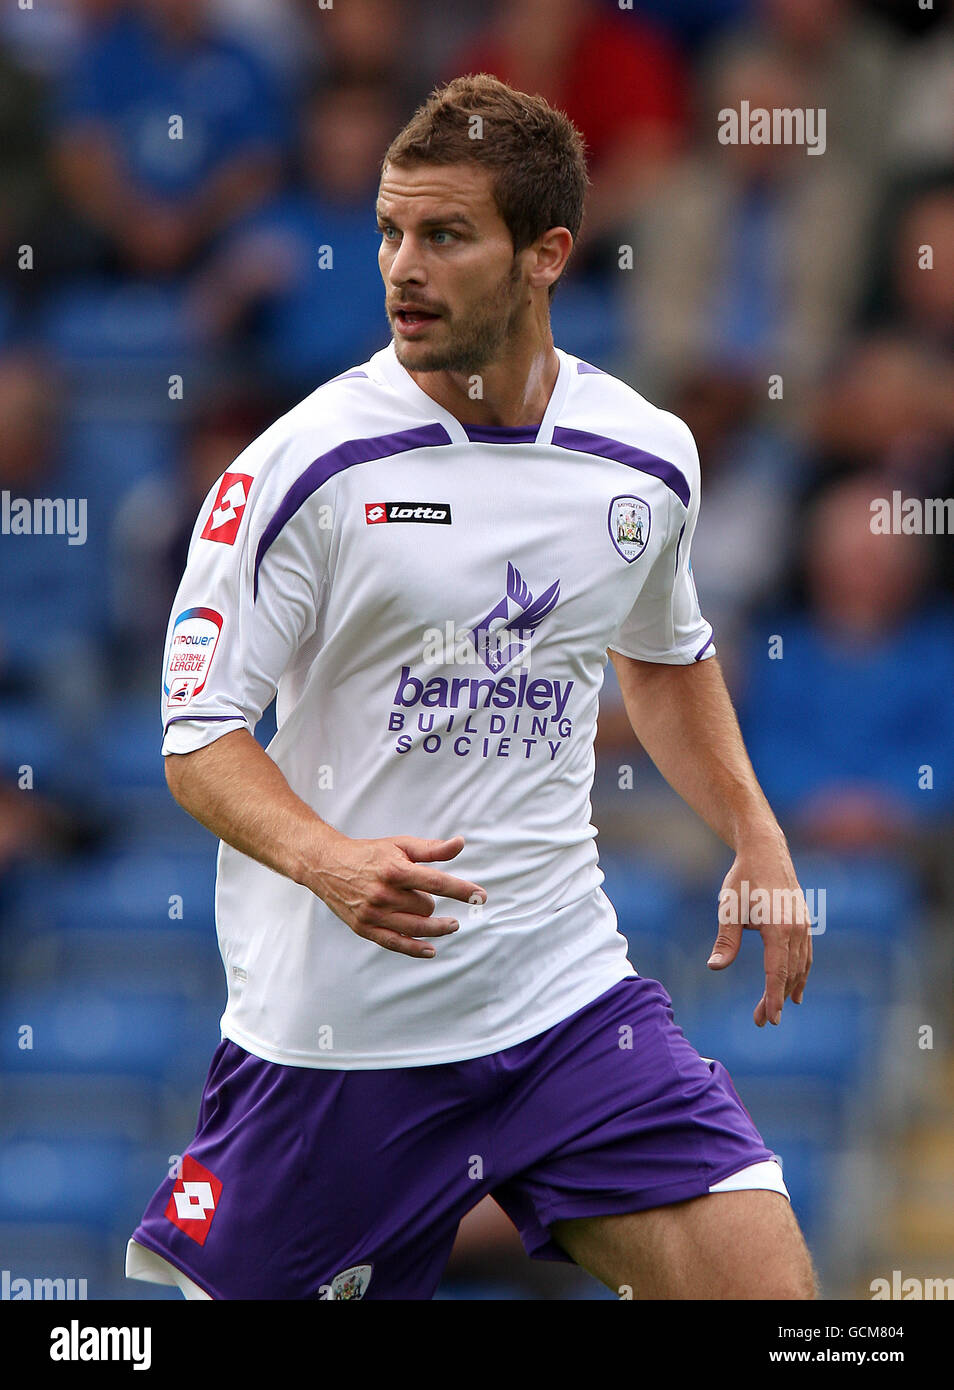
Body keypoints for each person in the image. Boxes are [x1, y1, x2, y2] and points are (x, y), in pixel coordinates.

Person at [125, 74, 815, 1302]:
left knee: (772, 1301)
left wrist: (755, 830)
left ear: (547, 254)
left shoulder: (645, 455)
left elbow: (661, 654)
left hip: (561, 998)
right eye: (391, 230)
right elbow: (198, 736)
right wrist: (331, 859)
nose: (402, 265)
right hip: (338, 1040)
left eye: (444, 235)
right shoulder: (304, 465)